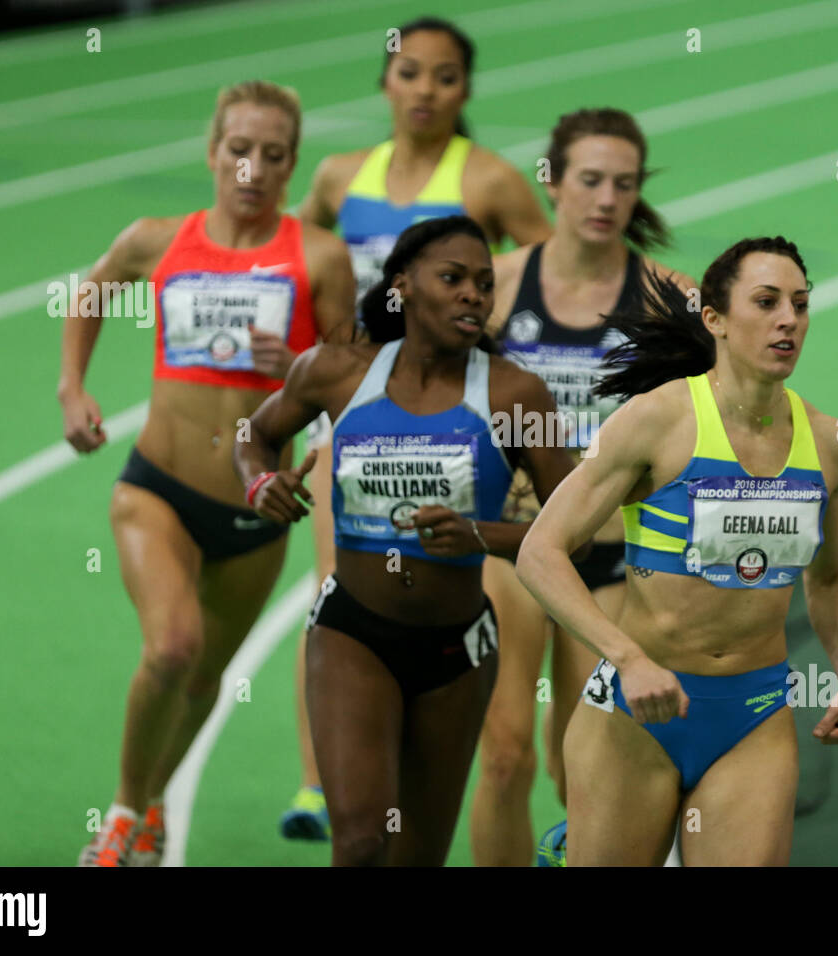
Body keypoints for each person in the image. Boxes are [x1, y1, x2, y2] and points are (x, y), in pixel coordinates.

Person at [62, 80, 356, 867]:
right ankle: (123, 810)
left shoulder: (317, 257)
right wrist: (72, 388)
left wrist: (296, 369)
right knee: (172, 649)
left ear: (293, 164)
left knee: (203, 681)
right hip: (156, 487)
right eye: (238, 150)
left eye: (272, 154)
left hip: (257, 510)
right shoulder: (157, 238)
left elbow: (353, 384)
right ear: (211, 151)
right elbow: (89, 293)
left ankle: (153, 803)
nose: (252, 169)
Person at [236, 216, 579, 865]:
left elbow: (574, 533)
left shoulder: (513, 393)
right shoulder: (335, 372)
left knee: (414, 857)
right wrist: (260, 485)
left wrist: (481, 533)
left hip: (457, 649)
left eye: (483, 283)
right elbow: (251, 434)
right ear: (403, 288)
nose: (473, 295)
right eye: (452, 279)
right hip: (352, 632)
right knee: (362, 844)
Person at [283, 16, 552, 839]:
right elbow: (298, 264)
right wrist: (308, 355)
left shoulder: (493, 182)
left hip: (465, 431)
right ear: (385, 84)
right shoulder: (337, 178)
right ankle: (323, 784)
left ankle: (437, 767)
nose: (424, 90)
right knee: (339, 585)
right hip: (367, 419)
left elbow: (545, 277)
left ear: (465, 90)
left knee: (456, 588)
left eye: (443, 77)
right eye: (409, 74)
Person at [516, 237, 838, 866]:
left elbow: (831, 579)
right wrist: (627, 659)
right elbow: (541, 551)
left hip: (753, 716)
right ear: (716, 320)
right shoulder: (657, 420)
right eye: (766, 302)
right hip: (636, 714)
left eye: (801, 304)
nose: (789, 318)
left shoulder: (829, 442)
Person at [469, 107, 693, 866]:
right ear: (552, 182)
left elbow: (711, 427)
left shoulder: (671, 302)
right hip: (507, 550)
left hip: (611, 562)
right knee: (502, 755)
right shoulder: (494, 288)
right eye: (590, 180)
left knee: (581, 771)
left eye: (623, 185)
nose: (605, 199)